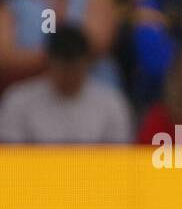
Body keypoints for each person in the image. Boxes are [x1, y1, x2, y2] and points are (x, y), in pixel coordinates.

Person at [0, 25, 131, 143]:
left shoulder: (112, 103)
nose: (69, 76)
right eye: (63, 69)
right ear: (49, 63)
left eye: (75, 69)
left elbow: (118, 161)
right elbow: (11, 161)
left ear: (87, 63)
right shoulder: (18, 100)